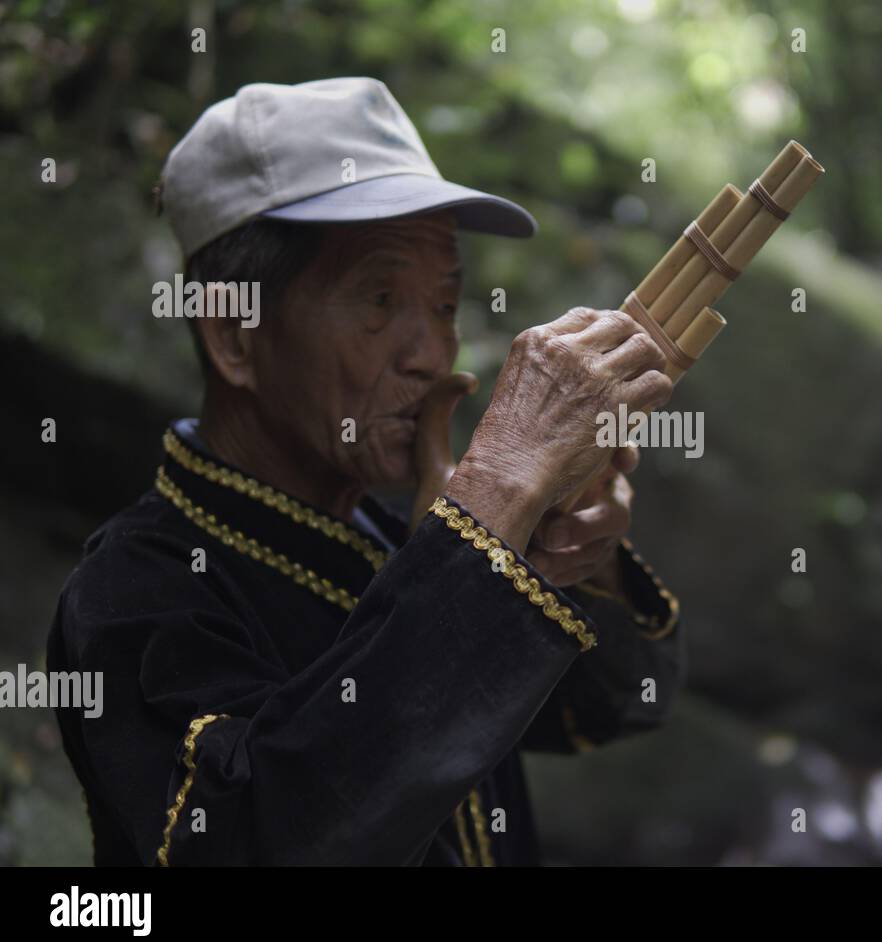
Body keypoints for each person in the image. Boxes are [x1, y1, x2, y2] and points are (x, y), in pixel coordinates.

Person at [46, 77, 684, 865]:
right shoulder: (136, 591)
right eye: (380, 300)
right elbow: (255, 839)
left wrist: (578, 551)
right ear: (236, 337)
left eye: (445, 304)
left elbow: (613, 706)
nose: (430, 354)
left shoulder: (409, 532)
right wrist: (491, 504)